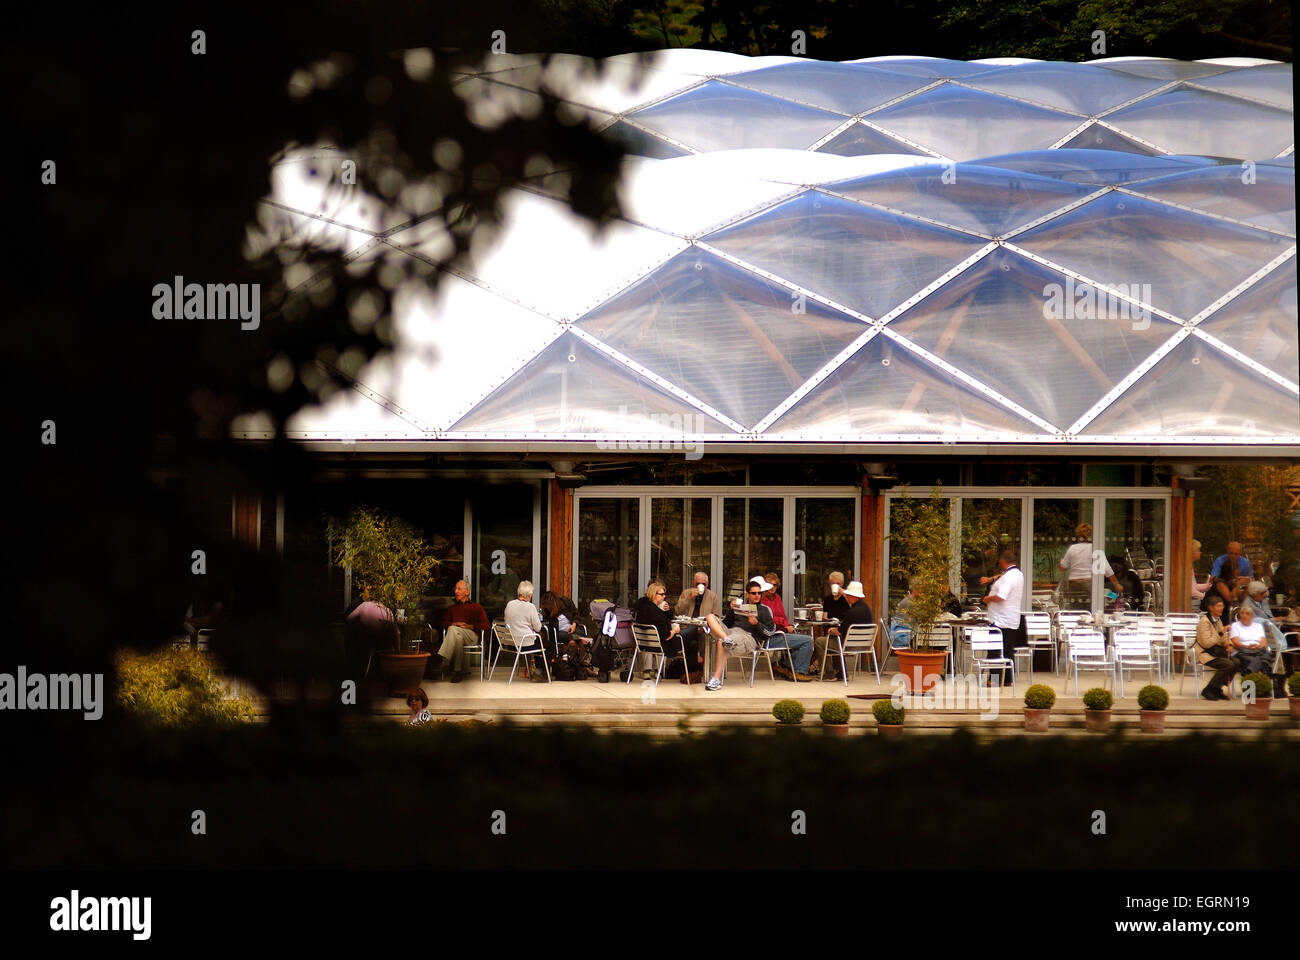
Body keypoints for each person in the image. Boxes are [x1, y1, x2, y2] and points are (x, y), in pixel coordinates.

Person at [706, 579, 776, 691]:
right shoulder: (741, 606)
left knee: (721, 642)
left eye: (759, 593)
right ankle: (726, 639)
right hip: (731, 633)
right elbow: (726, 624)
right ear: (748, 594)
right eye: (753, 593)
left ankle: (716, 679)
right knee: (710, 617)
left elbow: (770, 632)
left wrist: (757, 624)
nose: (757, 595)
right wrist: (731, 610)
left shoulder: (764, 610)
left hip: (749, 637)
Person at [635, 580, 695, 682]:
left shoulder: (643, 607)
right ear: (654, 594)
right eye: (662, 594)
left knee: (692, 638)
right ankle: (694, 670)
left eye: (664, 594)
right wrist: (675, 630)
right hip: (666, 644)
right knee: (694, 630)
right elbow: (667, 635)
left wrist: (667, 611)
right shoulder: (657, 614)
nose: (664, 597)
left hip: (644, 644)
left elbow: (662, 621)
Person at [817, 580, 875, 680]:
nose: (846, 597)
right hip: (864, 645)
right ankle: (841, 673)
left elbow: (840, 631)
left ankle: (829, 673)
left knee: (821, 641)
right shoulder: (866, 609)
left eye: (848, 595)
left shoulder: (851, 612)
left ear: (853, 597)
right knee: (836, 641)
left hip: (848, 645)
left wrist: (832, 630)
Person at [757, 575, 812, 681]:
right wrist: (785, 628)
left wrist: (788, 626)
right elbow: (770, 621)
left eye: (775, 585)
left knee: (798, 638)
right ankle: (798, 671)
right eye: (770, 585)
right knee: (808, 640)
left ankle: (784, 667)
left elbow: (783, 616)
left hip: (780, 631)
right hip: (772, 636)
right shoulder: (762, 601)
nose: (772, 587)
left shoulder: (777, 598)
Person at [432, 580, 489, 683]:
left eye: (459, 589)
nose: (456, 592)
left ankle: (444, 661)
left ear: (467, 592)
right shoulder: (452, 608)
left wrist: (470, 626)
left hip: (472, 636)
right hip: (457, 636)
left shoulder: (476, 607)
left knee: (452, 630)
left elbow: (486, 625)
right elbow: (442, 623)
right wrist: (454, 624)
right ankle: (457, 672)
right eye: (455, 589)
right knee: (456, 636)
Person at [1057, 523, 1123, 609]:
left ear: (1078, 535)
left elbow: (1062, 567)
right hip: (1089, 585)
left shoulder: (1072, 549)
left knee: (1077, 612)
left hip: (1074, 585)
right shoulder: (1095, 549)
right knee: (1092, 610)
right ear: (1091, 535)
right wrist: (1117, 585)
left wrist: (1060, 562)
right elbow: (1107, 570)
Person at [982, 549, 1025, 666]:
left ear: (1003, 561)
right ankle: (1007, 679)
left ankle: (995, 679)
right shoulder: (1018, 574)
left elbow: (1001, 596)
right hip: (1011, 619)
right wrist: (991, 579)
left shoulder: (1008, 577)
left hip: (1000, 620)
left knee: (995, 651)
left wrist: (988, 599)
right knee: (1007, 651)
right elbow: (1003, 575)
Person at [540, 590, 592, 679]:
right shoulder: (547, 613)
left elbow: (576, 614)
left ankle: (580, 666)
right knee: (572, 640)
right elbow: (548, 628)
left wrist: (574, 624)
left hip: (573, 628)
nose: (547, 608)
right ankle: (582, 668)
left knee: (584, 640)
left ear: (554, 603)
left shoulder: (566, 602)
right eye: (546, 605)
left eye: (549, 605)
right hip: (558, 633)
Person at [504, 581, 549, 682]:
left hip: (510, 642)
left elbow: (507, 622)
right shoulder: (530, 606)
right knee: (548, 645)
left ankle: (536, 672)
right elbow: (538, 628)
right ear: (529, 595)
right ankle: (541, 673)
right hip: (524, 644)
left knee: (539, 642)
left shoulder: (509, 604)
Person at [1195, 595, 1235, 701]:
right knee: (1228, 664)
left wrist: (1229, 644)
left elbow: (1224, 637)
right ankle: (1209, 690)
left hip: (1216, 652)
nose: (1222, 608)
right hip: (1204, 653)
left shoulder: (1218, 620)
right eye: (1219, 606)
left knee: (1237, 662)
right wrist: (1221, 632)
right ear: (1211, 608)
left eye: (1222, 606)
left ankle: (1217, 688)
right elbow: (1206, 643)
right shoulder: (1204, 622)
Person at [1228, 605, 1273, 678]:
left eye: (1247, 613)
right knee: (1263, 659)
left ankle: (1248, 672)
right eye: (1242, 613)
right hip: (1243, 651)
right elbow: (1235, 642)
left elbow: (1264, 642)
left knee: (1266, 653)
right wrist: (1247, 646)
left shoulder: (1258, 626)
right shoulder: (1235, 625)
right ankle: (1262, 672)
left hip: (1259, 650)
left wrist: (1258, 646)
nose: (1244, 615)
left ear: (1252, 616)